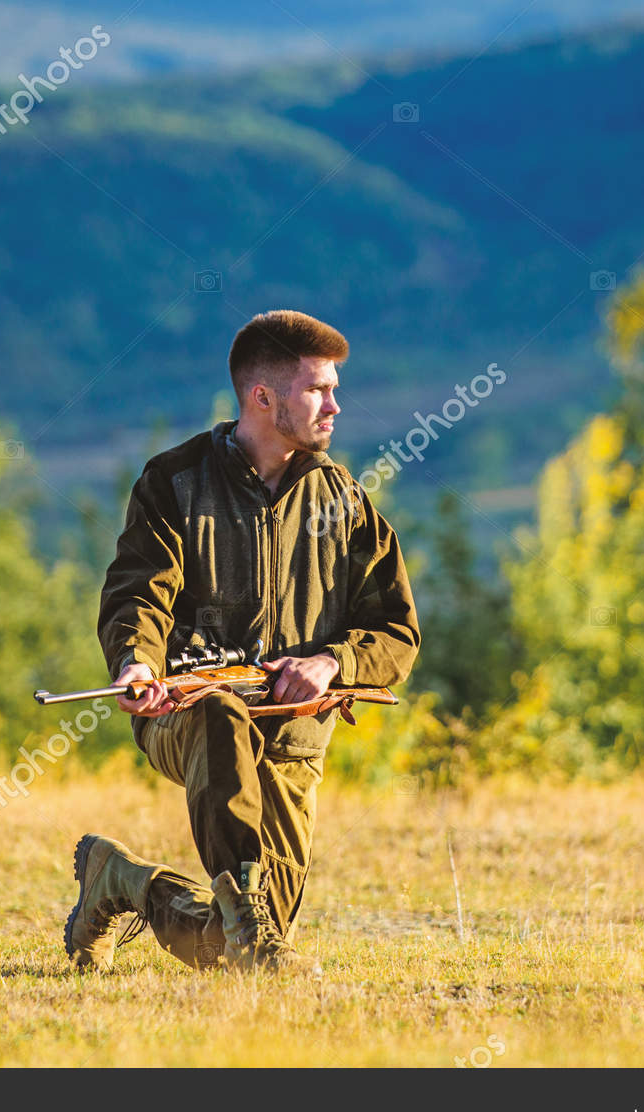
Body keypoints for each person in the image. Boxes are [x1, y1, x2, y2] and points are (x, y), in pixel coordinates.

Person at [65, 309, 419, 973]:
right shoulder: (173, 481)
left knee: (225, 948)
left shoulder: (343, 499)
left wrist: (332, 662)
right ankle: (248, 925)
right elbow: (137, 592)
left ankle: (120, 881)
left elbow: (397, 631)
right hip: (189, 716)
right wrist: (134, 662)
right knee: (222, 717)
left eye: (334, 388)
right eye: (318, 389)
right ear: (263, 397)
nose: (335, 405)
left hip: (294, 741)